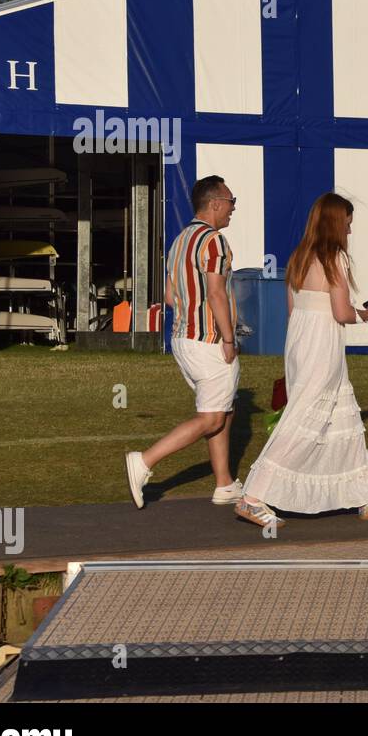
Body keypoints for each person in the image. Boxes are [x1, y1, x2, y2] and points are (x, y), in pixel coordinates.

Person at [234, 192, 368, 529]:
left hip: (300, 344)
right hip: (322, 347)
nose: (350, 232)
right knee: (304, 420)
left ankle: (367, 495)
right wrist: (365, 314)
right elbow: (340, 312)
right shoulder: (334, 258)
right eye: (348, 224)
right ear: (337, 224)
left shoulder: (299, 256)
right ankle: (252, 497)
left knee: (338, 417)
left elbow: (293, 310)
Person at [125, 175, 243, 509]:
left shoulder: (180, 240)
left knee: (222, 410)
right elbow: (217, 292)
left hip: (182, 337)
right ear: (215, 202)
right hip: (209, 339)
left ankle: (224, 483)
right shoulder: (214, 241)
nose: (233, 209)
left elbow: (170, 296)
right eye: (231, 202)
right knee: (211, 418)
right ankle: (144, 461)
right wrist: (229, 337)